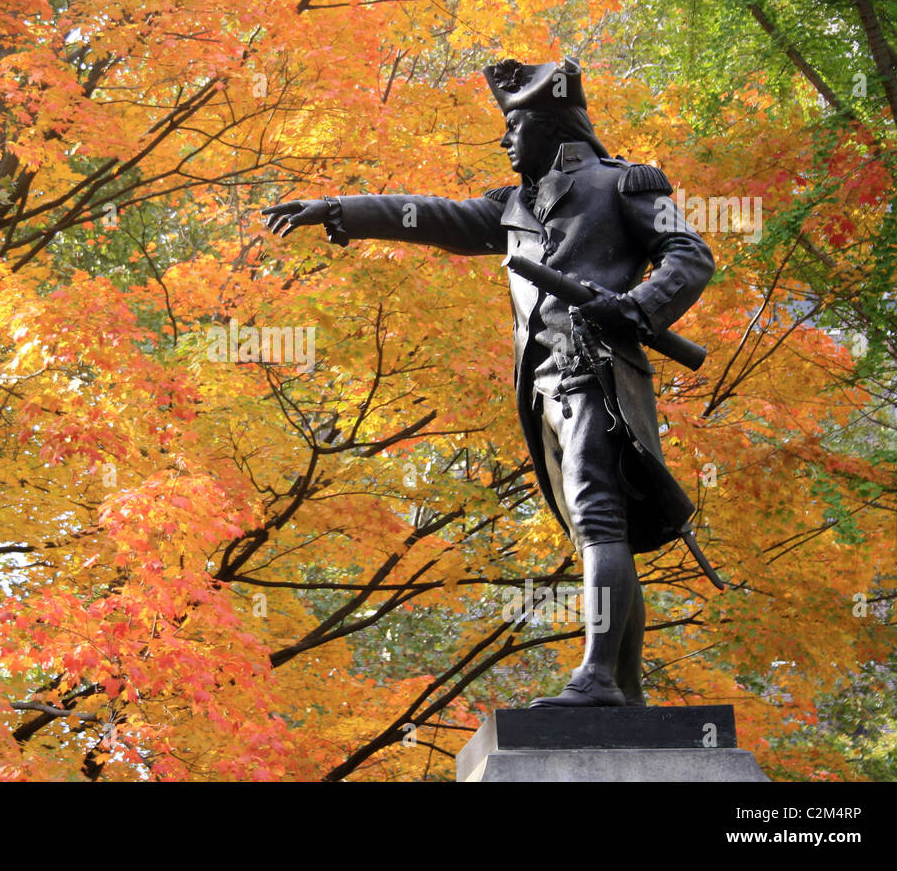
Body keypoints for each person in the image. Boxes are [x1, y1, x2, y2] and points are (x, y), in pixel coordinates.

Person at [261, 59, 715, 707]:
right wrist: (339, 208)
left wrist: (638, 307)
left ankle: (598, 682)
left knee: (598, 517)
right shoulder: (513, 208)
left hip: (599, 372)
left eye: (513, 126)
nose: (504, 142)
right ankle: (626, 691)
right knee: (595, 526)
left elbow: (689, 254)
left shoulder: (623, 185)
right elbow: (429, 215)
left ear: (551, 127)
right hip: (545, 383)